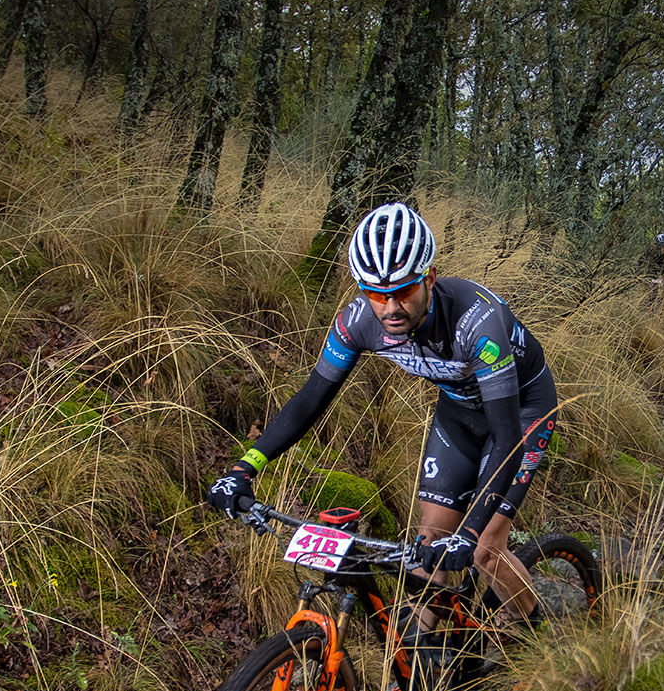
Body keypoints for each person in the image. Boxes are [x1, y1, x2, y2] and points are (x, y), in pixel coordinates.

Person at [206, 202, 557, 636]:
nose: (391, 307)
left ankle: (536, 632)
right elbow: (311, 399)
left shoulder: (476, 322)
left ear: (428, 278)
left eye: (404, 291)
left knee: (484, 549)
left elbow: (507, 439)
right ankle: (417, 677)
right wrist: (245, 468)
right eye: (375, 293)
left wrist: (466, 536)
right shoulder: (357, 323)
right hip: (459, 411)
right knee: (428, 543)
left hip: (521, 412)